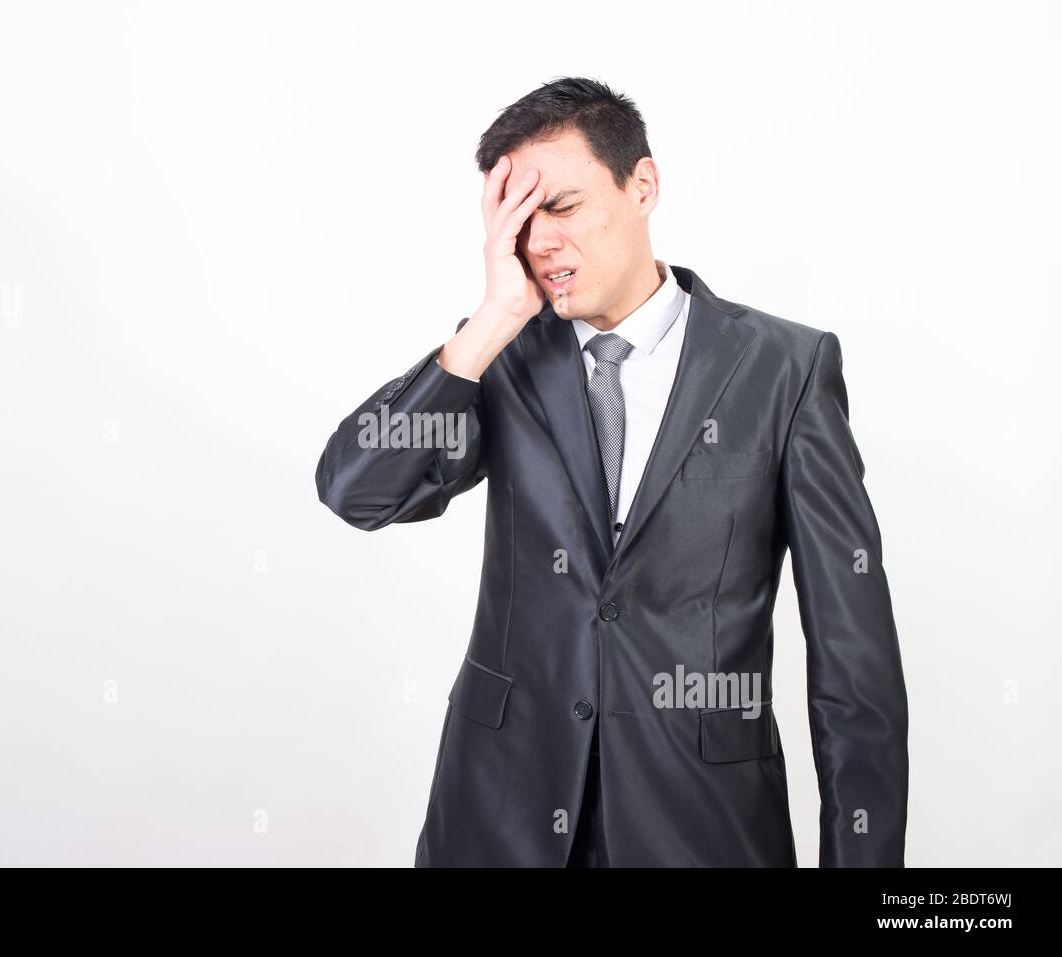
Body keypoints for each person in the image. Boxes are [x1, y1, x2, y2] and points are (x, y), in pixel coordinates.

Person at [315, 76, 908, 867]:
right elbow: (358, 488)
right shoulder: (500, 355)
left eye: (560, 207)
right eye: (519, 225)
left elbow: (854, 663)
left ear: (643, 186)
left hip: (699, 825)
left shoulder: (784, 369)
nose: (542, 242)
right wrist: (492, 318)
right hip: (498, 821)